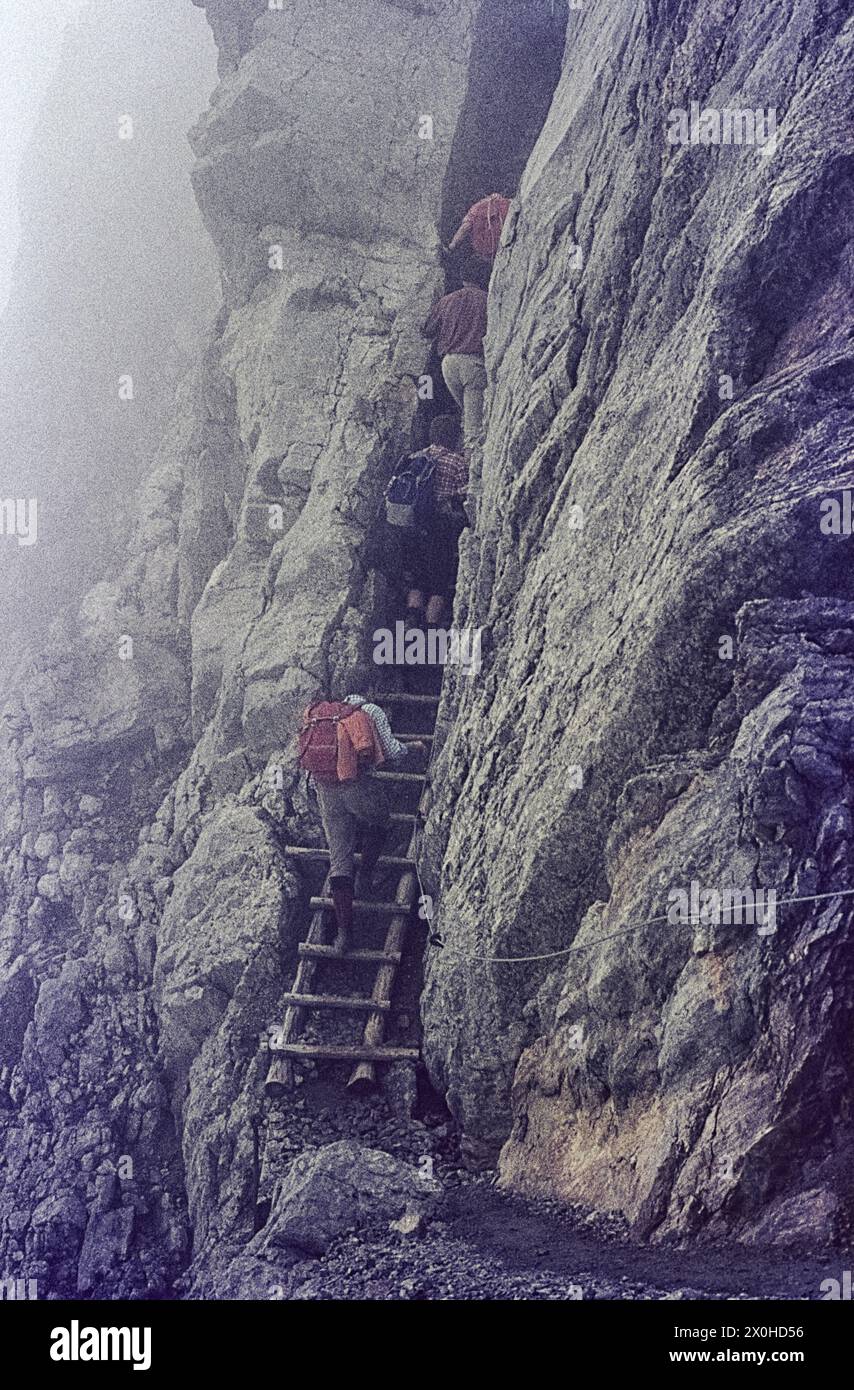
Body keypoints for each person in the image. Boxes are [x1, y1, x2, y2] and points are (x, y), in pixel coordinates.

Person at [309, 684, 426, 954]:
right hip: (356, 785)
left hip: (326, 790)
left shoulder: (325, 718)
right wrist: (412, 747)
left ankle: (343, 935)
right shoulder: (370, 711)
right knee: (381, 819)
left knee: (339, 861)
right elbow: (393, 753)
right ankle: (367, 875)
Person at [403, 414, 468, 628]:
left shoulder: (415, 458)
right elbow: (462, 494)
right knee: (439, 582)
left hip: (413, 525)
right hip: (441, 526)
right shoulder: (457, 461)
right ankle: (430, 631)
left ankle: (412, 618)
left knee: (417, 577)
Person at [423, 260, 488, 452]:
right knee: (474, 427)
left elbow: (428, 329)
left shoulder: (448, 300)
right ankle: (471, 471)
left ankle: (459, 454)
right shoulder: (486, 299)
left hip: (448, 364)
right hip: (473, 364)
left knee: (466, 414)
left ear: (463, 278)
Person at [446, 192, 511, 261]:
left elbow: (464, 228)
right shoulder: (504, 203)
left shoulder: (476, 209)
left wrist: (452, 245)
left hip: (487, 252)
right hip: (505, 246)